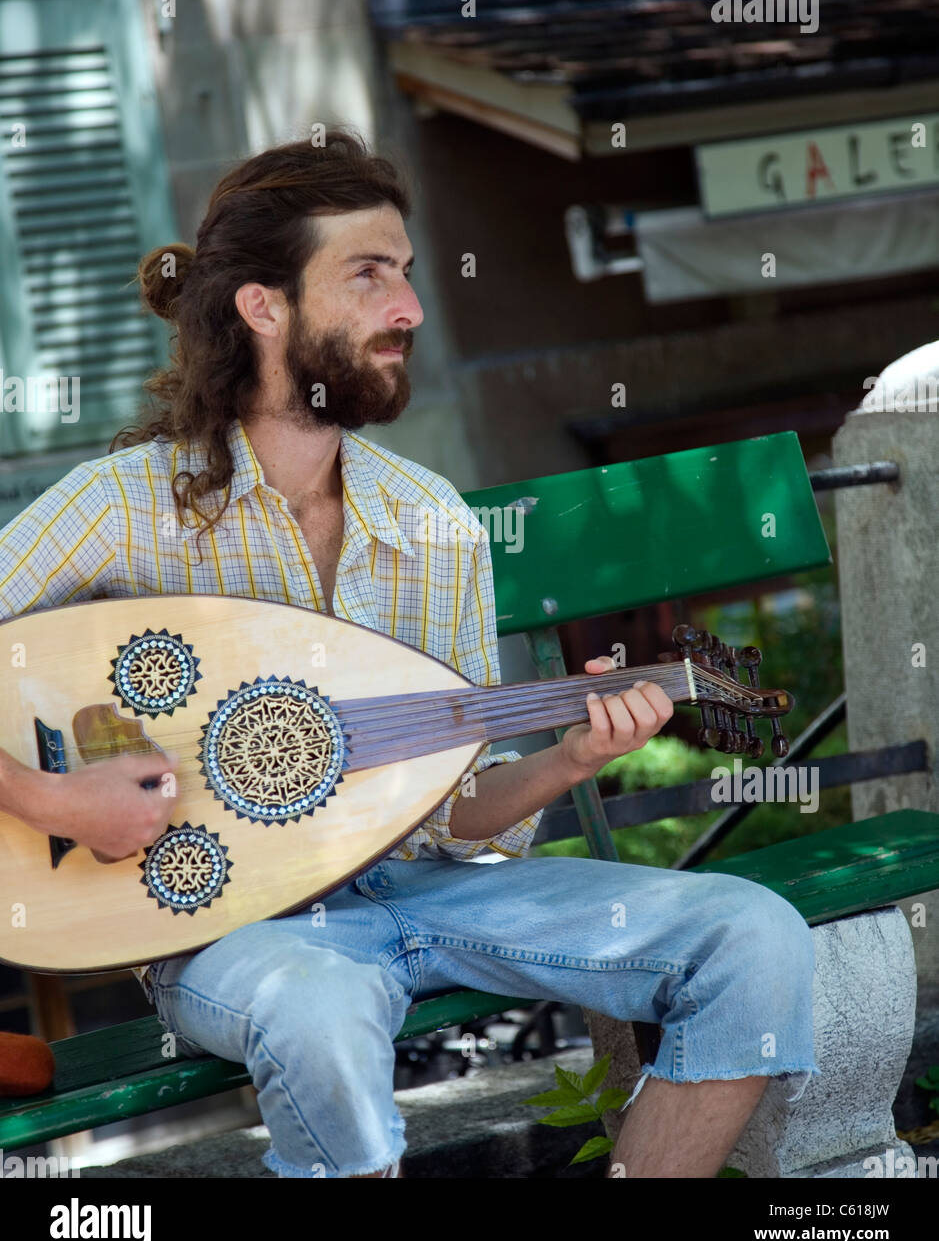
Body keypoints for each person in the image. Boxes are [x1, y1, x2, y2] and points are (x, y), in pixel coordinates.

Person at [0, 130, 817, 1179]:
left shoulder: (431, 523)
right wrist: (61, 804)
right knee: (315, 1011)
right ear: (264, 306)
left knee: (756, 937)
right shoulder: (126, 506)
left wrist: (571, 757)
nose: (411, 310)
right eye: (369, 274)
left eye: (410, 275)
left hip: (431, 894)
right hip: (237, 928)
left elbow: (455, 816)